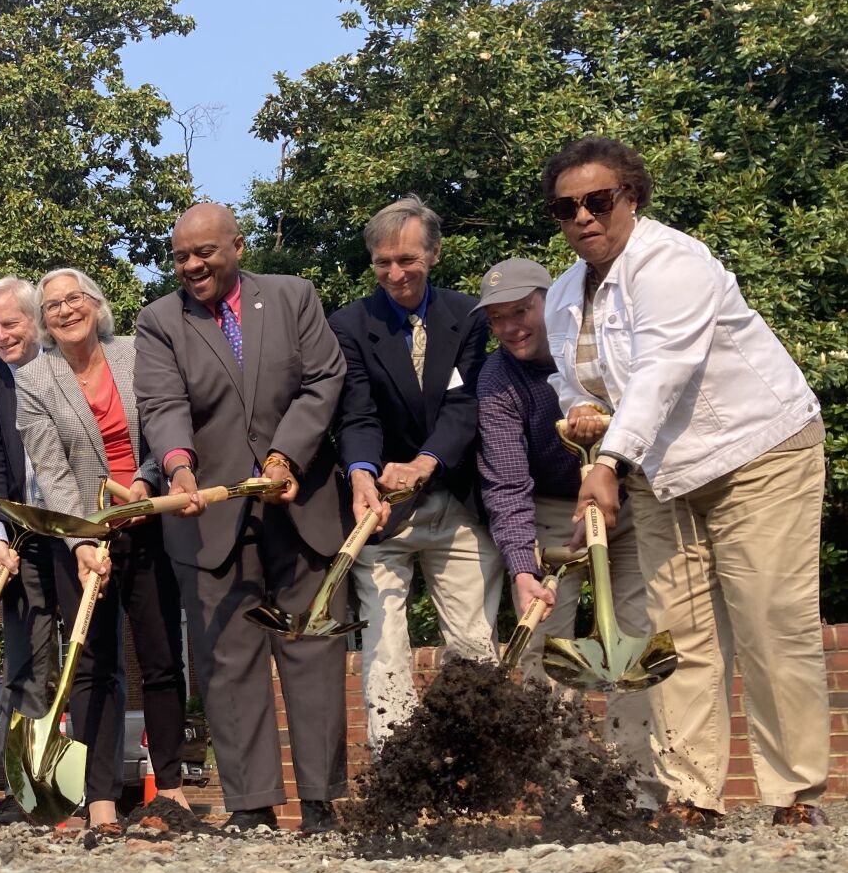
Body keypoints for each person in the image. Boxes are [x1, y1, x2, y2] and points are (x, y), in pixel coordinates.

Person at [541, 135, 829, 827]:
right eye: (566, 207)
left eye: (598, 200)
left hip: (757, 454)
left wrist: (608, 463)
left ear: (631, 197)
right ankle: (692, 793)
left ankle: (793, 795)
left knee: (769, 622)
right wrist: (582, 416)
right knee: (677, 634)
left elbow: (662, 370)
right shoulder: (562, 296)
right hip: (662, 475)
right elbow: (576, 383)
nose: (583, 216)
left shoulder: (672, 263)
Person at [134, 203, 351, 835]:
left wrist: (286, 456)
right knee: (227, 660)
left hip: (301, 504)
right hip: (210, 511)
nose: (192, 265)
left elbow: (323, 380)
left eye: (205, 252)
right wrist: (178, 467)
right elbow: (162, 404)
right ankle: (252, 805)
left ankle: (319, 802)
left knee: (313, 648)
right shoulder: (159, 321)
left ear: (237, 245)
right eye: (181, 256)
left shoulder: (292, 297)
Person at [16, 267, 189, 835]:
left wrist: (143, 480)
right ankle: (101, 801)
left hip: (147, 523)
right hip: (83, 540)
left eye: (75, 299)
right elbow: (52, 471)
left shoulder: (136, 354)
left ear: (95, 304)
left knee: (161, 658)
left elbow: (162, 426)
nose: (66, 311)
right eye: (53, 306)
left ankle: (170, 791)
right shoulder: (33, 379)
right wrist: (83, 540)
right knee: (92, 664)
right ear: (44, 321)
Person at [473, 258, 657, 791]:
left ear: (549, 301)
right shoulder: (497, 379)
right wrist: (522, 566)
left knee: (635, 635)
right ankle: (561, 788)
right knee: (544, 643)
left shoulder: (596, 348)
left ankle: (636, 786)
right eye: (498, 318)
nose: (511, 328)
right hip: (553, 509)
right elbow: (506, 483)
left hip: (631, 498)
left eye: (521, 311)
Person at [328, 195, 503, 752]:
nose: (395, 273)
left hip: (456, 500)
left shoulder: (468, 315)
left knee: (475, 642)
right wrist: (361, 473)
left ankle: (477, 767)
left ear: (434, 254)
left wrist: (426, 463)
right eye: (383, 262)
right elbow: (357, 412)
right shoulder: (349, 324)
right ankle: (396, 767)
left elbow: (466, 402)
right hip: (382, 511)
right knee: (384, 644)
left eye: (407, 259)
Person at [0, 276, 64, 826]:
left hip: (83, 529)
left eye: (10, 324)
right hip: (23, 537)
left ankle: (96, 792)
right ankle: (26, 792)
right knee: (24, 664)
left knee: (96, 659)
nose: (0, 336)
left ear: (35, 322)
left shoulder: (69, 364)